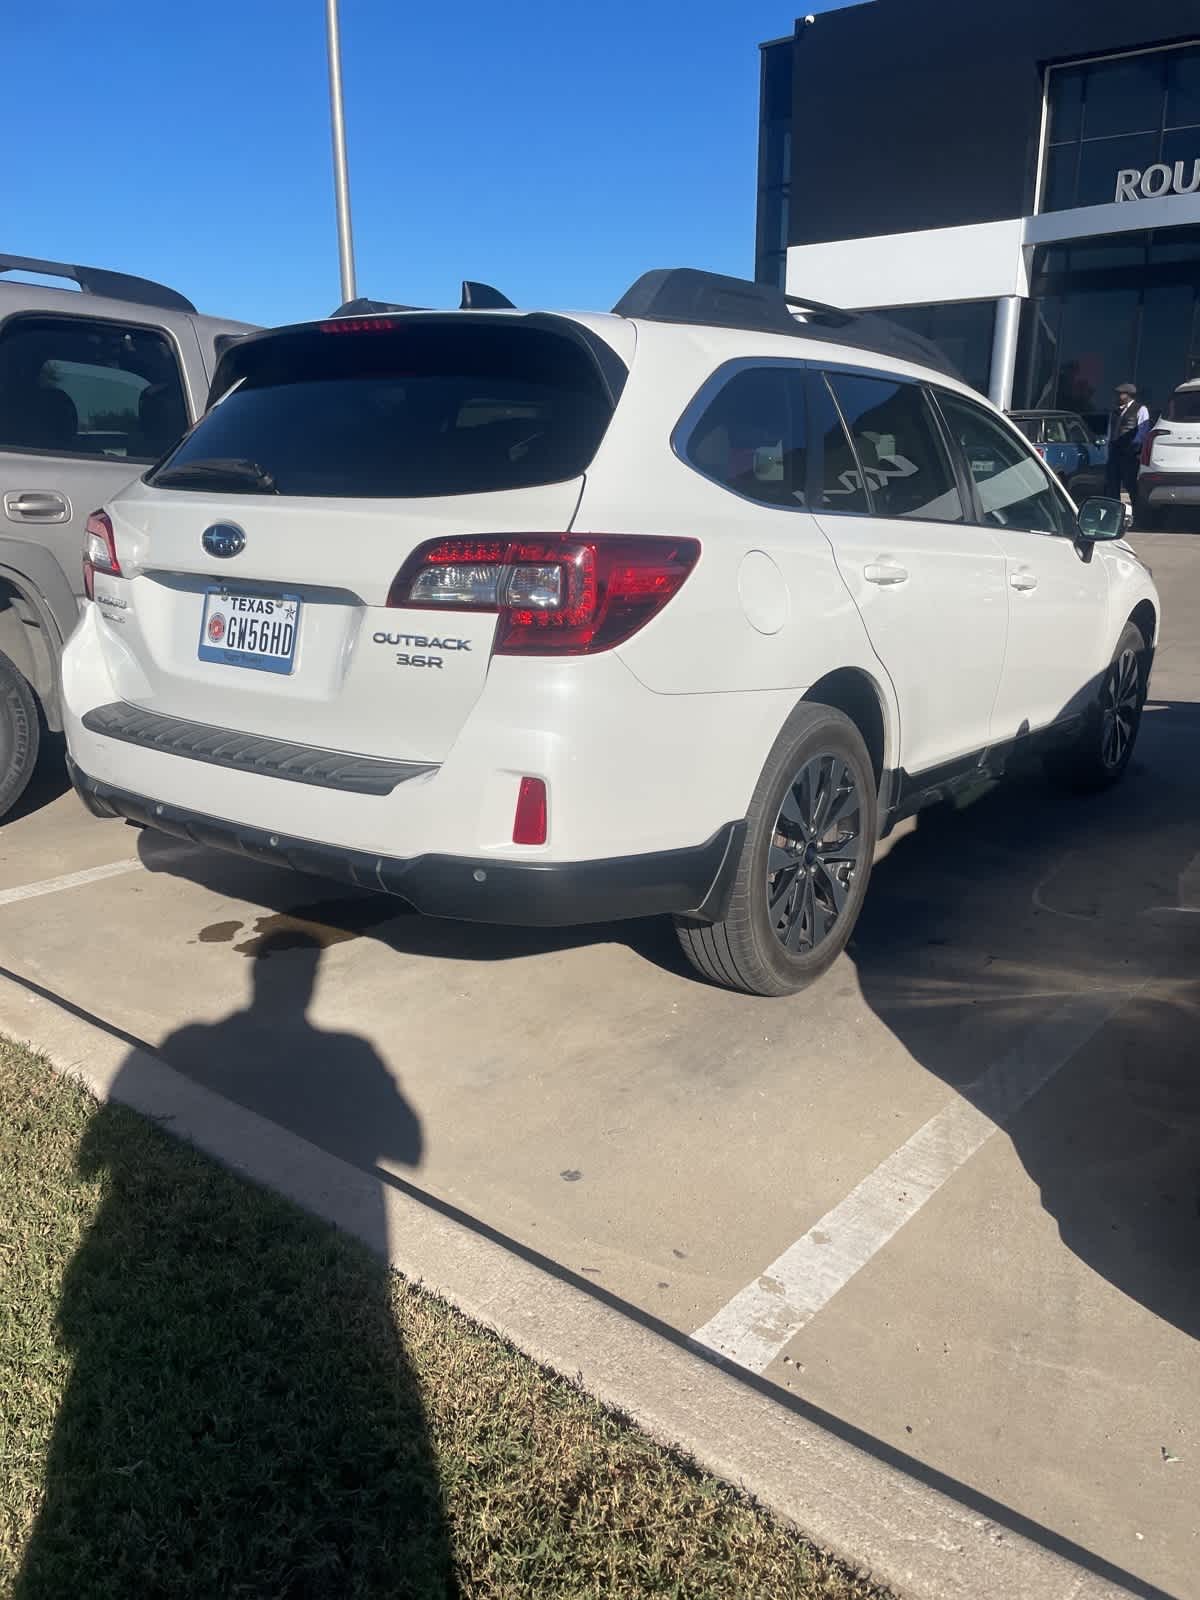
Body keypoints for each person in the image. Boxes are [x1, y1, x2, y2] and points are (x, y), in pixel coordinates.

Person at [1104, 381, 1150, 503]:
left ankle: (1137, 515)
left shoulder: (1141, 409)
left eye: (1120, 394)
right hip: (1114, 455)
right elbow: (1110, 433)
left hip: (1129, 456)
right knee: (1112, 487)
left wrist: (1134, 450)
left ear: (1128, 395)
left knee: (1131, 486)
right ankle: (1115, 515)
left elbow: (1142, 432)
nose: (1117, 397)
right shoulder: (1114, 412)